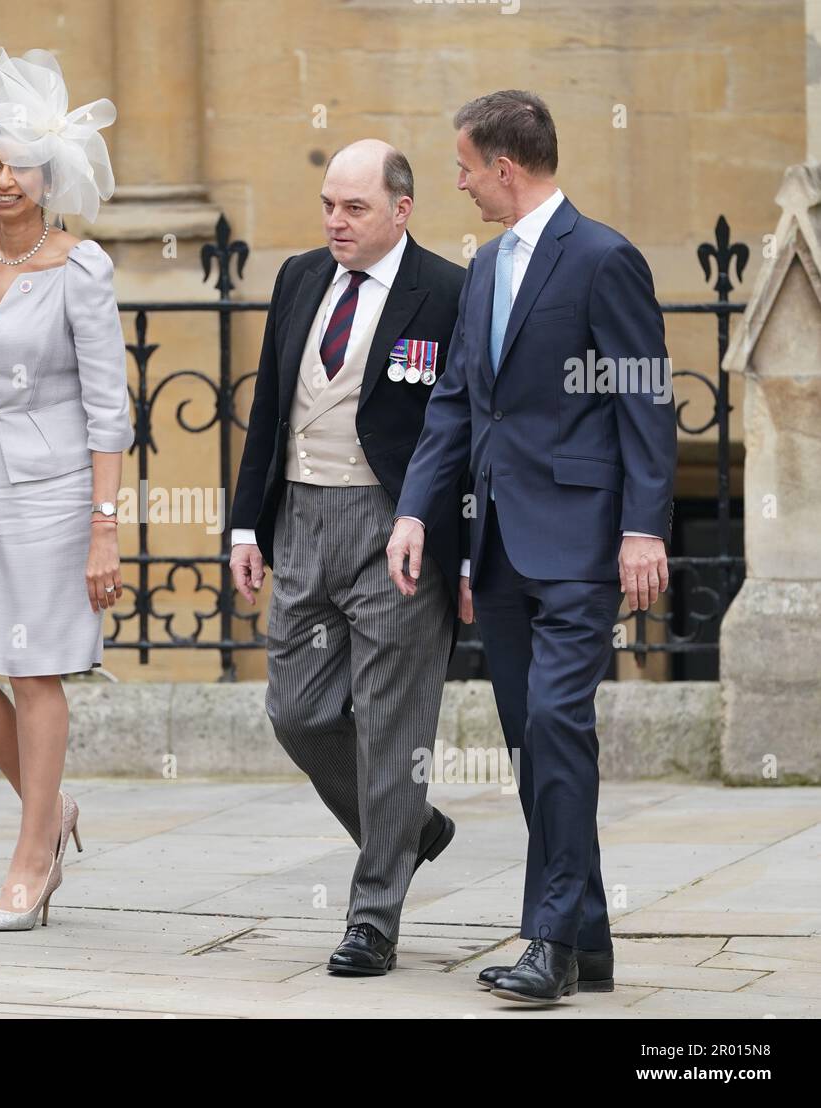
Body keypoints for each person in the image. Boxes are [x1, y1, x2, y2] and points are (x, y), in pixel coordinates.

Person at [389, 91, 677, 1003]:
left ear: (505, 168)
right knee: (534, 742)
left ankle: (548, 941)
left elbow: (645, 401)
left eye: (465, 166)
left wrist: (644, 528)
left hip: (586, 543)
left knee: (558, 725)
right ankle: (588, 940)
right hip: (500, 547)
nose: (459, 181)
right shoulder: (483, 273)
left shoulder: (603, 258)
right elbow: (457, 407)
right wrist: (418, 516)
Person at [230, 139, 469, 976]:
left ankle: (373, 919)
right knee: (295, 712)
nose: (336, 220)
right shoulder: (299, 277)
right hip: (301, 517)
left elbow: (465, 427)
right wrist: (243, 527)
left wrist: (461, 550)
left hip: (397, 529)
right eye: (329, 204)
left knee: (392, 725)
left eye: (355, 207)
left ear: (401, 210)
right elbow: (267, 406)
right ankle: (411, 827)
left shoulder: (445, 290)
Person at [0, 47, 132, 932]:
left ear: (52, 177)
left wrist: (105, 530)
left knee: (36, 673)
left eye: (19, 165)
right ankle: (54, 808)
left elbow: (110, 412)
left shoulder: (82, 268)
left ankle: (32, 856)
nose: (3, 179)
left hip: (53, 493)